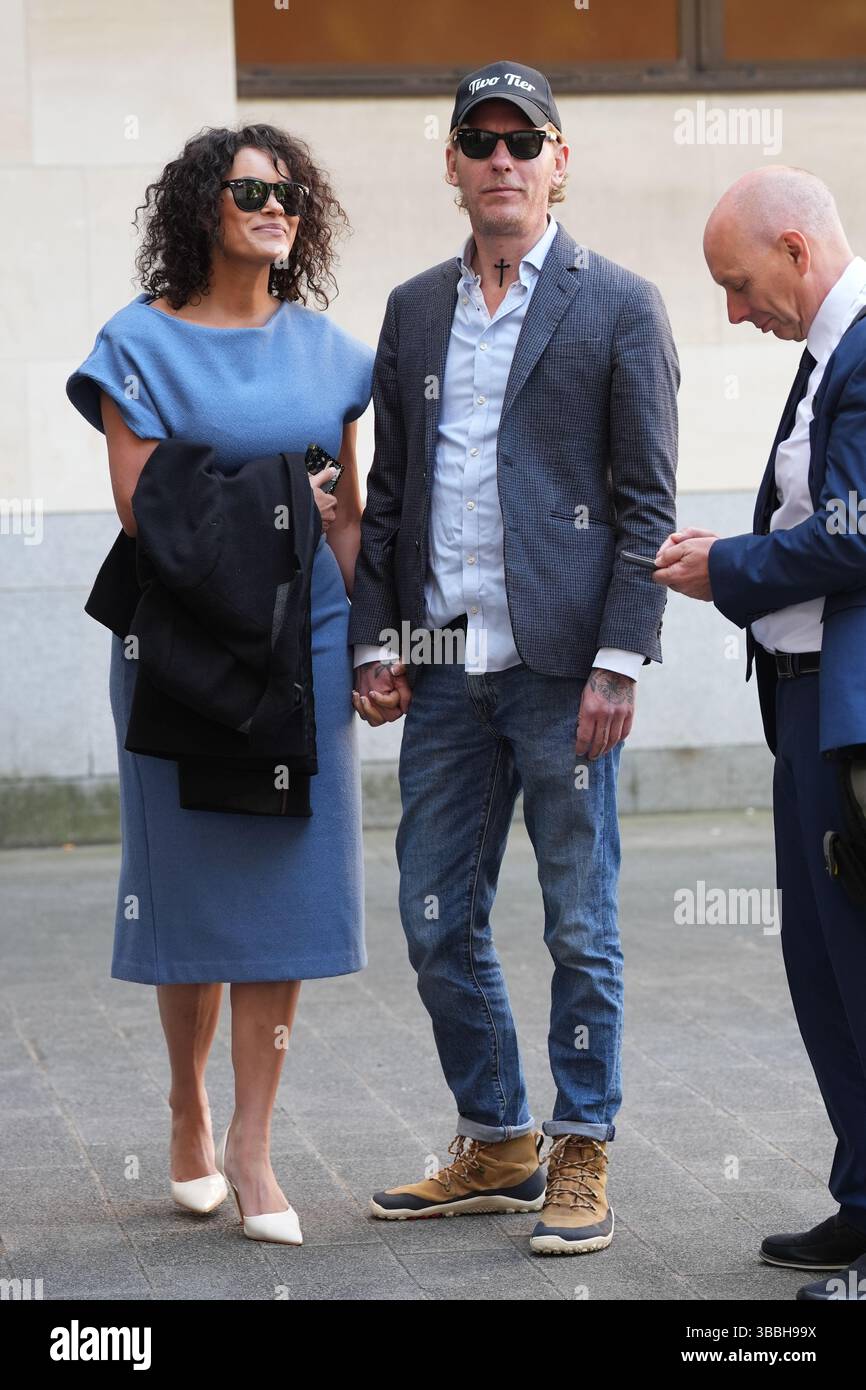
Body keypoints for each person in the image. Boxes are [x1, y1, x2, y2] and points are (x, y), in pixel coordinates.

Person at [349, 60, 679, 1255]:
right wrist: (381, 641)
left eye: (521, 140)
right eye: (478, 139)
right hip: (443, 664)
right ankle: (497, 1136)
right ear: (450, 162)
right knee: (433, 916)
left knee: (577, 922)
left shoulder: (619, 304)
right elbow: (391, 495)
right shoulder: (412, 310)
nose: (500, 158)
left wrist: (619, 659)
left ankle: (580, 1142)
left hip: (562, 673)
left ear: (557, 161)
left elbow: (644, 504)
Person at [66, 123, 374, 1245]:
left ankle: (253, 1140)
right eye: (248, 191)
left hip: (309, 648)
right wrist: (290, 486)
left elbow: (347, 520)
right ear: (204, 207)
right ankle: (187, 1105)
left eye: (287, 193)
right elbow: (146, 508)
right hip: (183, 649)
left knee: (283, 893)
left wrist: (375, 647)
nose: (273, 206)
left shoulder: (331, 355)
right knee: (193, 891)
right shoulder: (137, 345)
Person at [655, 165, 866, 1300]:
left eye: (738, 285)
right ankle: (863, 1200)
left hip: (846, 710)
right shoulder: (827, 354)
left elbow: (855, 532)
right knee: (822, 968)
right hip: (803, 702)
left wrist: (726, 567)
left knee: (856, 963)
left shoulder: (863, 349)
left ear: (794, 248)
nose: (735, 313)